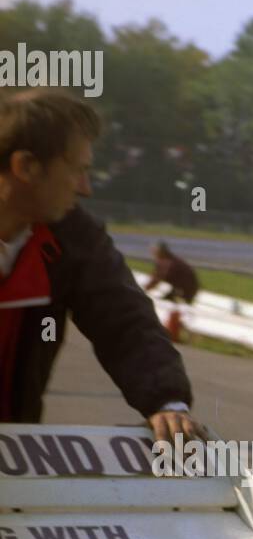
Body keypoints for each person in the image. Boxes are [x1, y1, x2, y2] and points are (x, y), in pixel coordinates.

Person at [0, 89, 201, 440]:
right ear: (26, 167)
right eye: (77, 170)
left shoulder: (74, 238)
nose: (86, 188)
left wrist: (167, 401)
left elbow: (124, 319)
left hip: (14, 456)